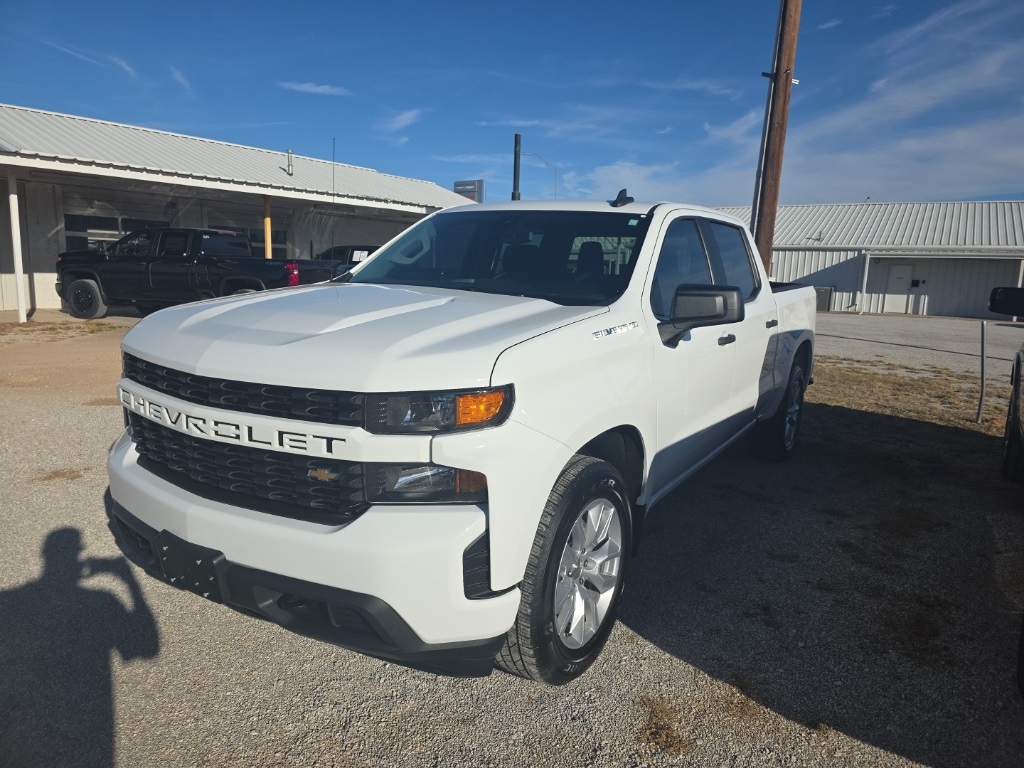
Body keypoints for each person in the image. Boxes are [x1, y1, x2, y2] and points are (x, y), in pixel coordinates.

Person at [0, 528, 159, 767]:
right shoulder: (103, 601)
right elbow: (147, 648)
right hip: (91, 737)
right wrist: (128, 578)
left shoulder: (8, 602)